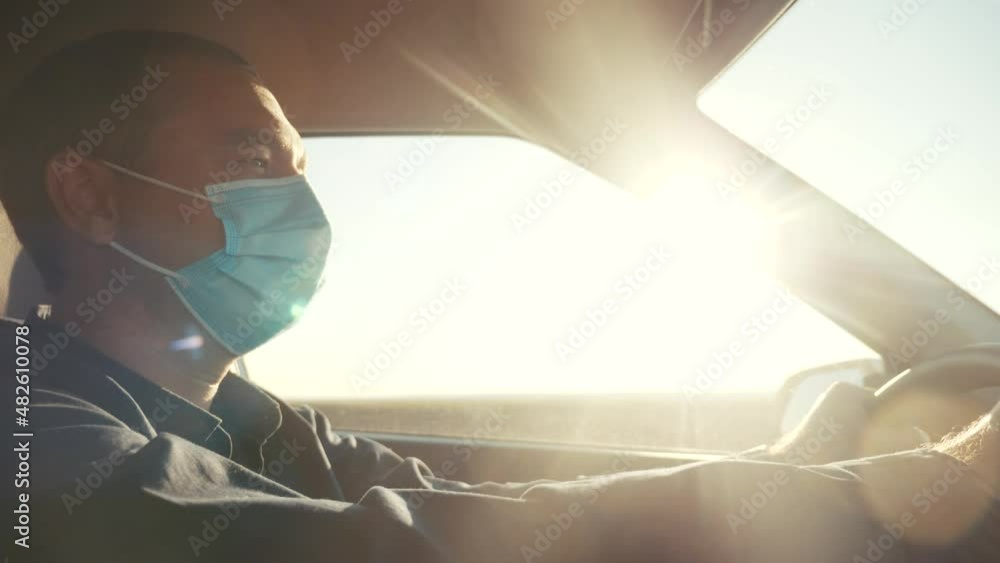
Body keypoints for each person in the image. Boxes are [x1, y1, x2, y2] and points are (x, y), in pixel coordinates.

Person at [1, 30, 997, 563]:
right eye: (252, 156)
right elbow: (380, 549)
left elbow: (487, 517)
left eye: (299, 166)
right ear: (89, 195)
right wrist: (934, 480)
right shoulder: (31, 439)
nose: (300, 204)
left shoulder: (257, 420)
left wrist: (789, 470)